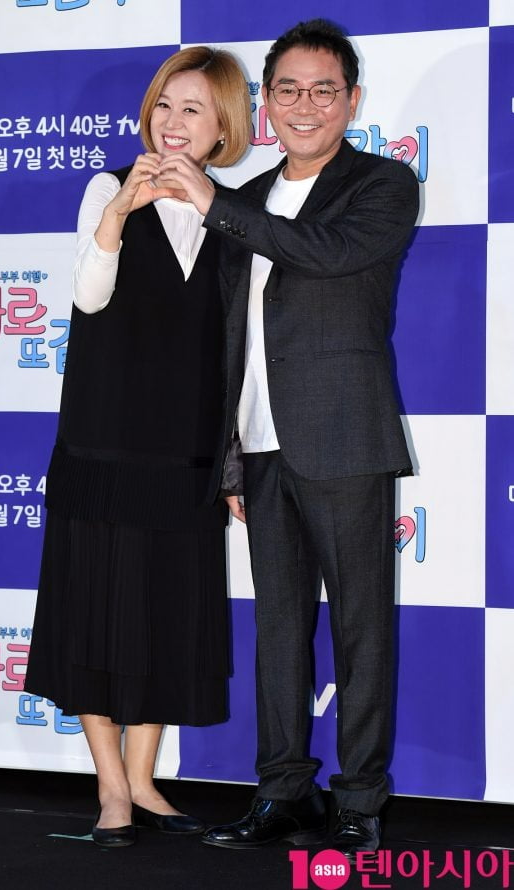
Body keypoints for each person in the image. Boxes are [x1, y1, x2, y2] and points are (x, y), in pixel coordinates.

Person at [154, 19, 419, 857]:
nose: (305, 106)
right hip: (262, 449)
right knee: (278, 631)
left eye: (323, 90)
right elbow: (235, 333)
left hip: (345, 440)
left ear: (352, 99)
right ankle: (282, 793)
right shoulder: (253, 195)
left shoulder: (383, 185)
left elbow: (324, 254)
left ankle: (360, 800)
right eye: (289, 90)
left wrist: (215, 204)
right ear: (265, 101)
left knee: (360, 631)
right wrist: (232, 452)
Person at [24, 46, 251, 848]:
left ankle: (146, 779)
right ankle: (112, 790)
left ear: (224, 125)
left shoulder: (237, 213)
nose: (173, 122)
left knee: (166, 619)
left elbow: (239, 348)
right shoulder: (106, 186)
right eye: (163, 105)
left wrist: (234, 459)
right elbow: (88, 295)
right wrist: (122, 208)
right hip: (104, 446)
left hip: (186, 451)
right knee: (94, 616)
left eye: (193, 108)